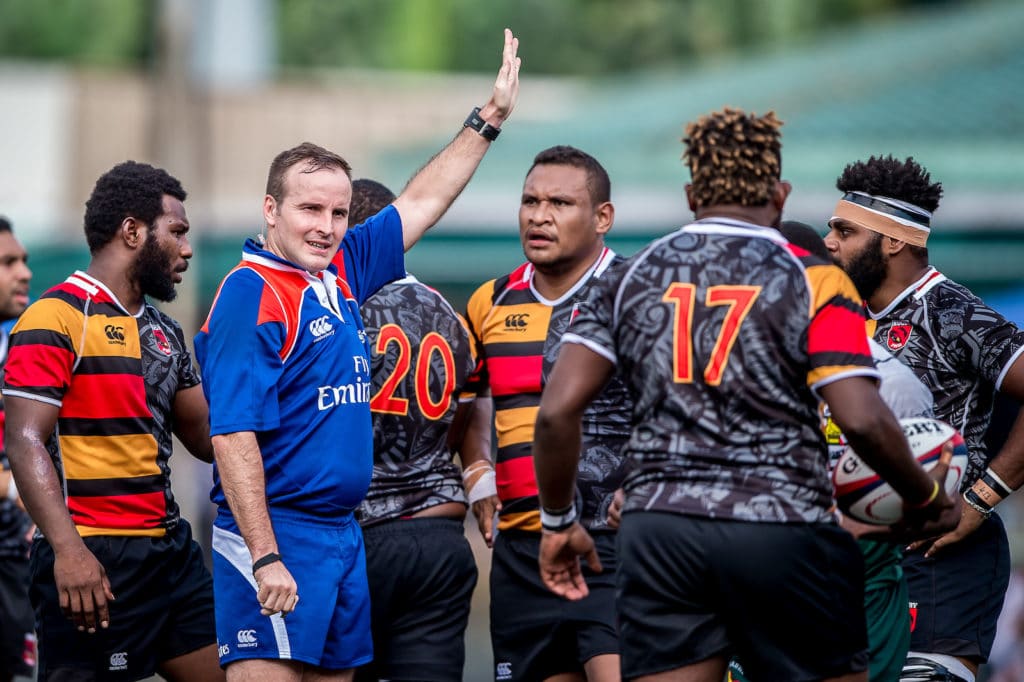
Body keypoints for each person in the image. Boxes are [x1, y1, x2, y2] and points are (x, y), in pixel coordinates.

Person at [532, 107, 954, 682]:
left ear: (690, 196)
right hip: (781, 526)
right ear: (780, 196)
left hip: (661, 532)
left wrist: (559, 521)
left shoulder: (628, 277)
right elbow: (861, 419)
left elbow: (556, 413)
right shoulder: (814, 278)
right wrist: (925, 496)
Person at [194, 29, 520, 682]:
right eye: (309, 208)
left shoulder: (339, 270)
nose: (326, 225)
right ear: (271, 209)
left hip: (344, 537)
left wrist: (488, 119)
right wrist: (265, 555)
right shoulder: (251, 293)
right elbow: (231, 435)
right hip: (282, 535)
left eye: (339, 213)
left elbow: (423, 201)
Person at [1, 163, 222, 681]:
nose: (187, 249)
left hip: (170, 553)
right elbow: (25, 440)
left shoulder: (165, 330)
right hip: (94, 557)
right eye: (177, 232)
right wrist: (68, 551)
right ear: (132, 231)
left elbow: (209, 439)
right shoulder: (55, 317)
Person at [824, 155, 1024, 682]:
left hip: (940, 556)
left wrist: (980, 499)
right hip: (859, 554)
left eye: (844, 230)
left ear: (894, 241)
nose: (829, 243)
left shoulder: (952, 311)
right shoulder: (845, 318)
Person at [464, 145, 632, 682]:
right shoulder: (490, 301)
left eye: (560, 203)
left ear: (603, 217)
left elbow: (684, 404)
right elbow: (472, 399)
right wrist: (477, 471)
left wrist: (648, 481)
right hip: (520, 551)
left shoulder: (639, 295)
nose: (539, 216)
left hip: (612, 546)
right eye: (530, 201)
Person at [349, 179, 492, 682]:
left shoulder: (336, 305)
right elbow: (465, 413)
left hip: (358, 533)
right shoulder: (449, 314)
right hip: (439, 533)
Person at [0, 217, 34, 682]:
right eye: (8, 263)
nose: (24, 273)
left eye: (24, 260)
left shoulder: (23, 351)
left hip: (18, 566)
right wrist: (13, 487)